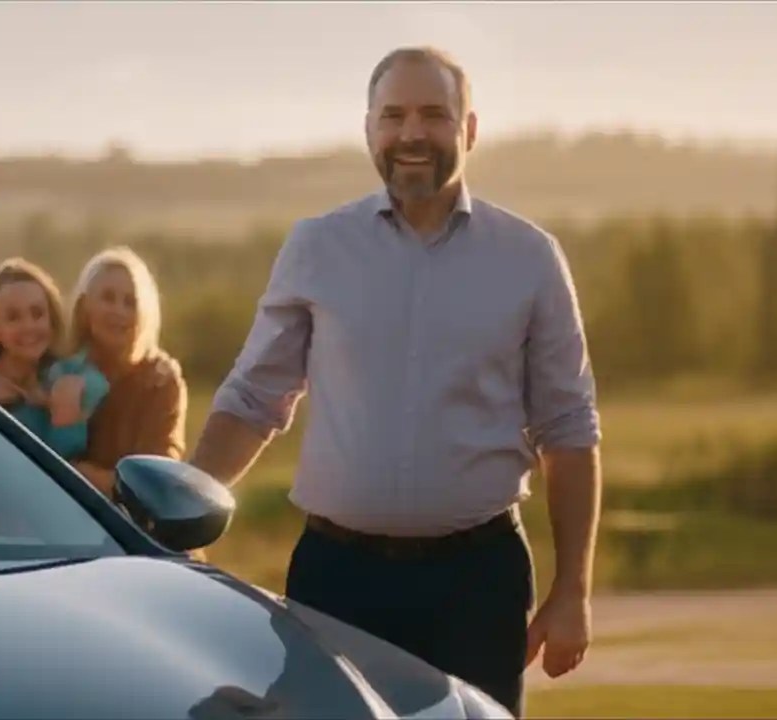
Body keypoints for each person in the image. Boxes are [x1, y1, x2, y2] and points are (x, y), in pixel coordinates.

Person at [189, 46, 602, 717]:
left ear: (469, 130)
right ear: (370, 131)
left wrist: (573, 591)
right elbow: (253, 401)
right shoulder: (317, 247)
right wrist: (183, 507)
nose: (412, 132)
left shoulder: (530, 258)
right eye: (395, 116)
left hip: (478, 584)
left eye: (435, 115)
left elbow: (570, 430)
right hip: (335, 582)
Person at [64, 247, 188, 500]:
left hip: (128, 528)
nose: (118, 311)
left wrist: (72, 473)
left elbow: (158, 482)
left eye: (130, 303)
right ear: (85, 306)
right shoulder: (61, 367)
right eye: (108, 298)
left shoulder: (159, 381)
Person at [0, 257, 110, 461]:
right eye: (13, 317)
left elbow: (100, 385)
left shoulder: (64, 373)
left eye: (37, 314)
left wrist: (51, 400)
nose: (28, 326)